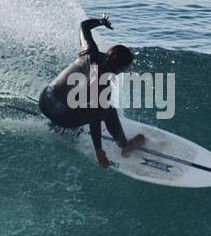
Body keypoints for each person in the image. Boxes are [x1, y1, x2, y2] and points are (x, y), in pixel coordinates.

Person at [39, 14, 146, 168]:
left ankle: (58, 126)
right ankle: (125, 145)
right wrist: (99, 150)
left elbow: (84, 26)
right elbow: (94, 118)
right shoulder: (103, 84)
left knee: (77, 96)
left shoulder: (89, 52)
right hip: (61, 116)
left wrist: (101, 22)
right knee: (107, 110)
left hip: (44, 100)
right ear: (121, 68)